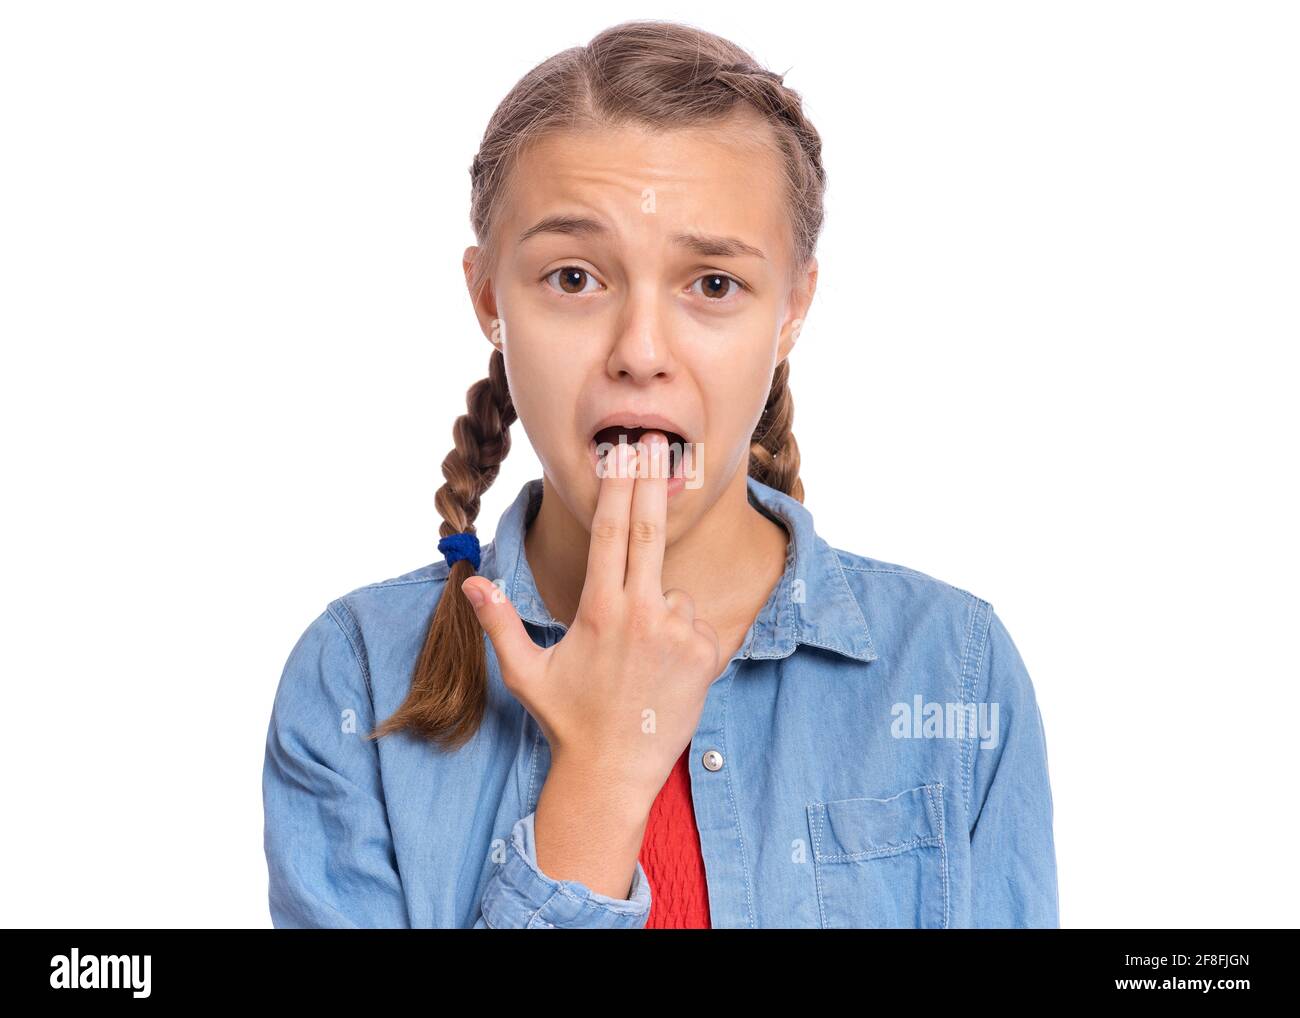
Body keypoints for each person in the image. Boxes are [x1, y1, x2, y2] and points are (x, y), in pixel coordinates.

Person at [262, 19, 1059, 929]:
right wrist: (604, 770)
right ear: (490, 300)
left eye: (713, 285)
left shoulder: (955, 670)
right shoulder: (357, 678)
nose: (640, 353)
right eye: (572, 278)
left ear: (792, 307)